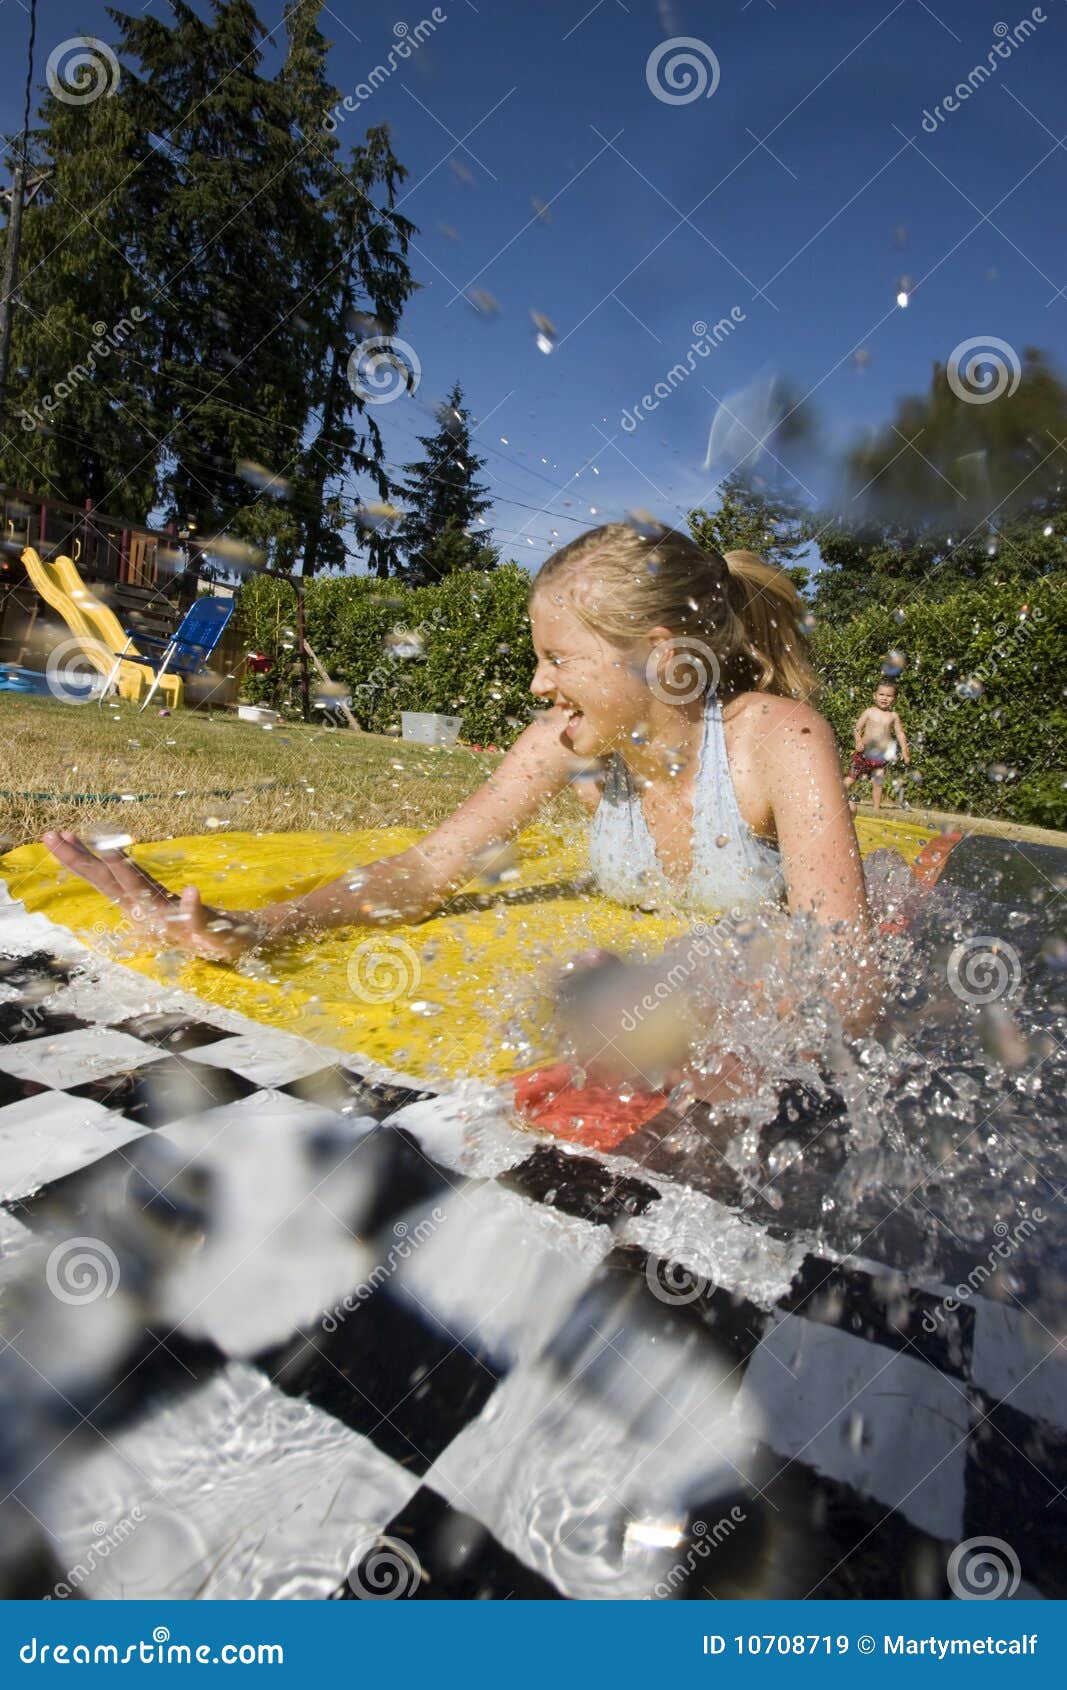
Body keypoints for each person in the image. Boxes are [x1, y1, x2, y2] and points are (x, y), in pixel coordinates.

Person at [43, 523, 880, 1097]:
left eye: (557, 658)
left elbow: (848, 980)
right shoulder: (558, 741)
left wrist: (678, 1020)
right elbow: (422, 871)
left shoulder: (775, 740)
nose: (537, 683)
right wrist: (259, 927)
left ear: (658, 658)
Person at [843, 680, 910, 814]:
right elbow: (856, 728)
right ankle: (834, 798)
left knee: (878, 782)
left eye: (889, 696)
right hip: (863, 753)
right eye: (881, 694)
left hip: (881, 756)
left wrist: (904, 751)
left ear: (894, 698)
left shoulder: (893, 716)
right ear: (874, 696)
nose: (884, 698)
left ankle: (876, 810)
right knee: (851, 778)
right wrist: (858, 741)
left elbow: (900, 733)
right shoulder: (869, 712)